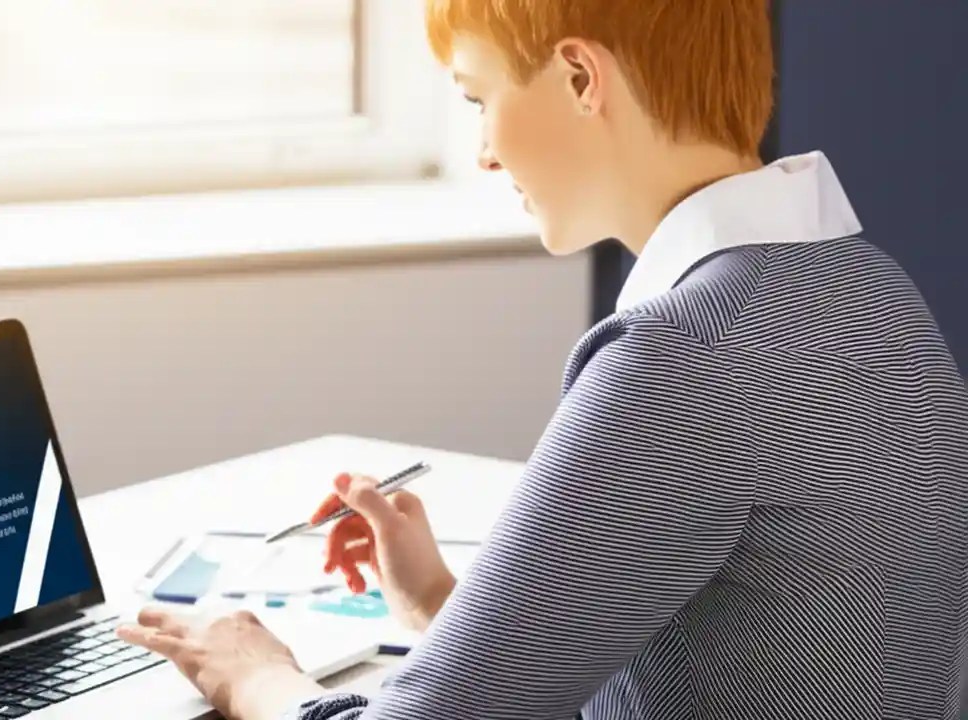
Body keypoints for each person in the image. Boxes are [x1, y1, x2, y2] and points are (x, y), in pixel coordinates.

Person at [116, 1, 968, 718]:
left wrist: (258, 675)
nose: (483, 150)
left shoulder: (684, 356)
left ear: (579, 79)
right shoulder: (871, 291)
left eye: (478, 97)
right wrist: (443, 611)